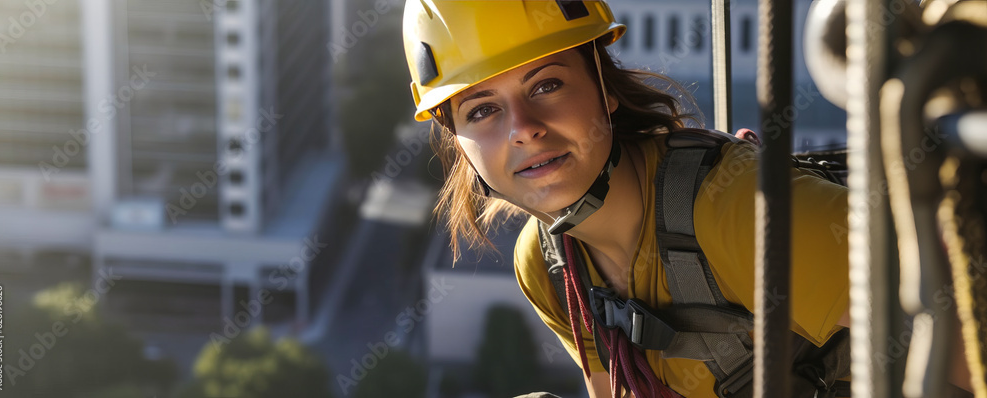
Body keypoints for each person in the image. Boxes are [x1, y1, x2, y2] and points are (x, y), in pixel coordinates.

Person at [398, 1, 944, 397]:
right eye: (482, 110)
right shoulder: (550, 265)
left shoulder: (738, 211)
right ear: (458, 143)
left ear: (605, 88)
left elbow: (963, 341)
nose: (523, 129)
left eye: (546, 85)